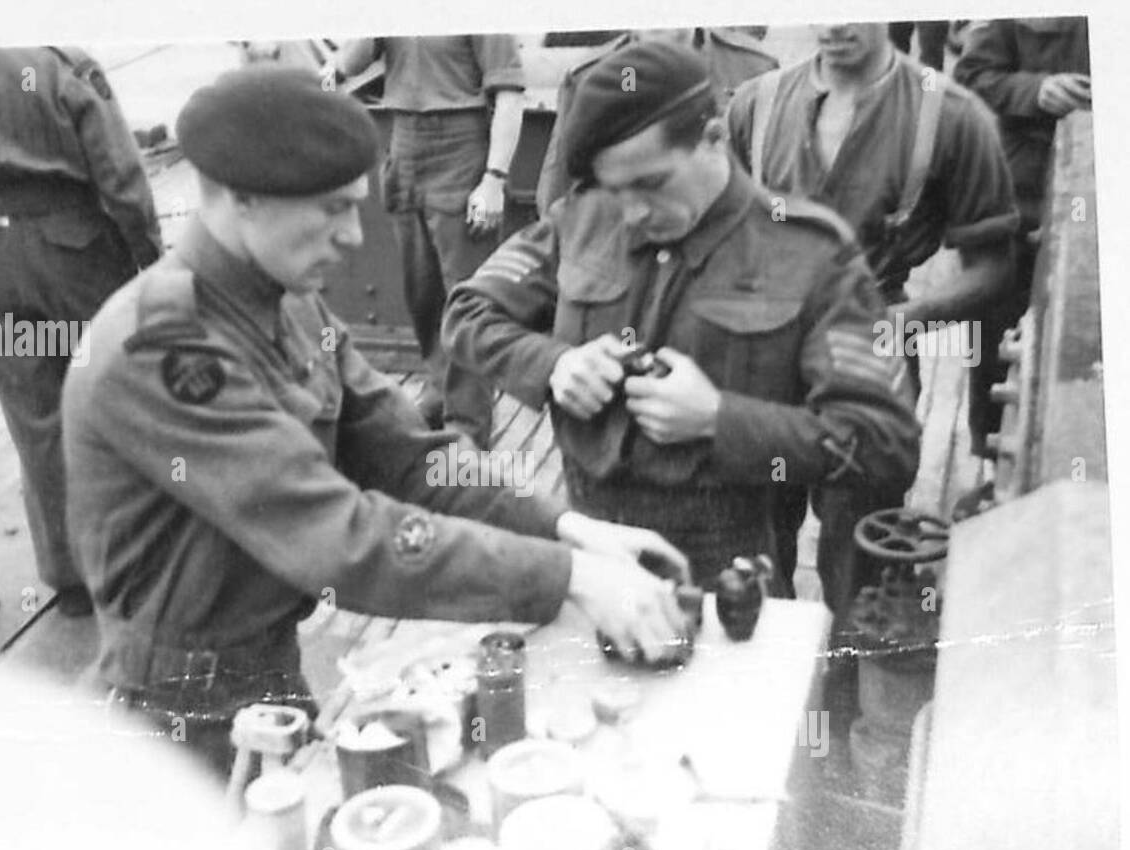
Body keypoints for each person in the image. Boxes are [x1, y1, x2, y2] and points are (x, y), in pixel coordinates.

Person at [61, 66, 691, 776]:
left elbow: (412, 456)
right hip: (175, 716)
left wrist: (567, 529)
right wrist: (567, 576)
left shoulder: (288, 300)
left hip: (264, 673)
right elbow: (340, 537)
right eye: (330, 209)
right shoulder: (164, 347)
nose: (352, 235)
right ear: (240, 200)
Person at [444, 41, 920, 608]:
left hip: (727, 569)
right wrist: (555, 364)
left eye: (652, 184)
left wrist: (719, 419)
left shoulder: (811, 254)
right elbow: (469, 312)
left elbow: (884, 442)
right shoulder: (585, 216)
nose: (633, 214)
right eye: (616, 190)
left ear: (714, 138)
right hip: (592, 551)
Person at [724, 22, 1018, 605]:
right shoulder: (754, 105)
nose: (834, 24)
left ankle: (846, 678)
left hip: (872, 345)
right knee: (754, 536)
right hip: (762, 349)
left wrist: (906, 321)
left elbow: (994, 267)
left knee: (859, 545)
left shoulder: (951, 115)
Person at [0, 47, 162, 617]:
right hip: (79, 260)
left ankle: (70, 578)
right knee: (113, 400)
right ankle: (134, 562)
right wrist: (149, 260)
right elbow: (121, 176)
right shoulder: (61, 62)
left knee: (37, 417)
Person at [326, 35, 526, 449]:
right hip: (404, 142)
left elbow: (509, 97)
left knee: (465, 299)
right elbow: (353, 59)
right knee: (423, 292)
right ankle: (439, 394)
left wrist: (493, 181)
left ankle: (469, 425)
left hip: (460, 143)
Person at [952, 16, 1090, 510]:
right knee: (991, 328)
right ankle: (993, 462)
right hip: (1022, 187)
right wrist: (1036, 90)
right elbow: (971, 74)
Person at [535, 26, 778, 217]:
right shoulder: (593, 76)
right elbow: (558, 193)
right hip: (630, 242)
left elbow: (777, 178)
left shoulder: (753, 67)